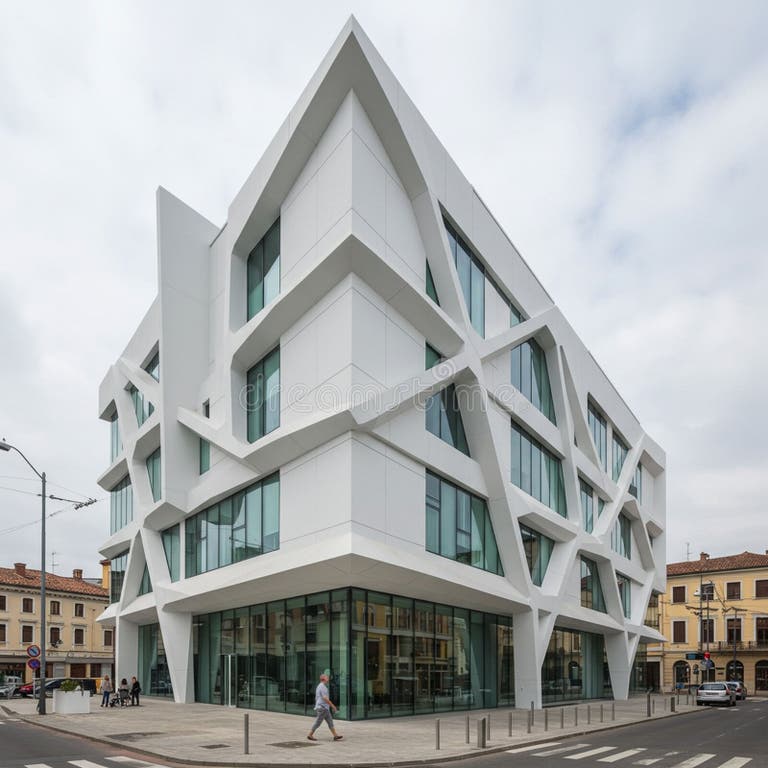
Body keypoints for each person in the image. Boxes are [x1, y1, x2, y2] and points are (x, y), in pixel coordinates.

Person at [307, 673, 342, 742]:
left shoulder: (321, 686)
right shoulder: (322, 687)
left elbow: (317, 698)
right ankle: (310, 735)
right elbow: (325, 698)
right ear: (323, 678)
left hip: (324, 708)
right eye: (327, 677)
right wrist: (333, 706)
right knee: (318, 722)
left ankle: (335, 736)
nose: (328, 678)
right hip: (322, 708)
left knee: (330, 722)